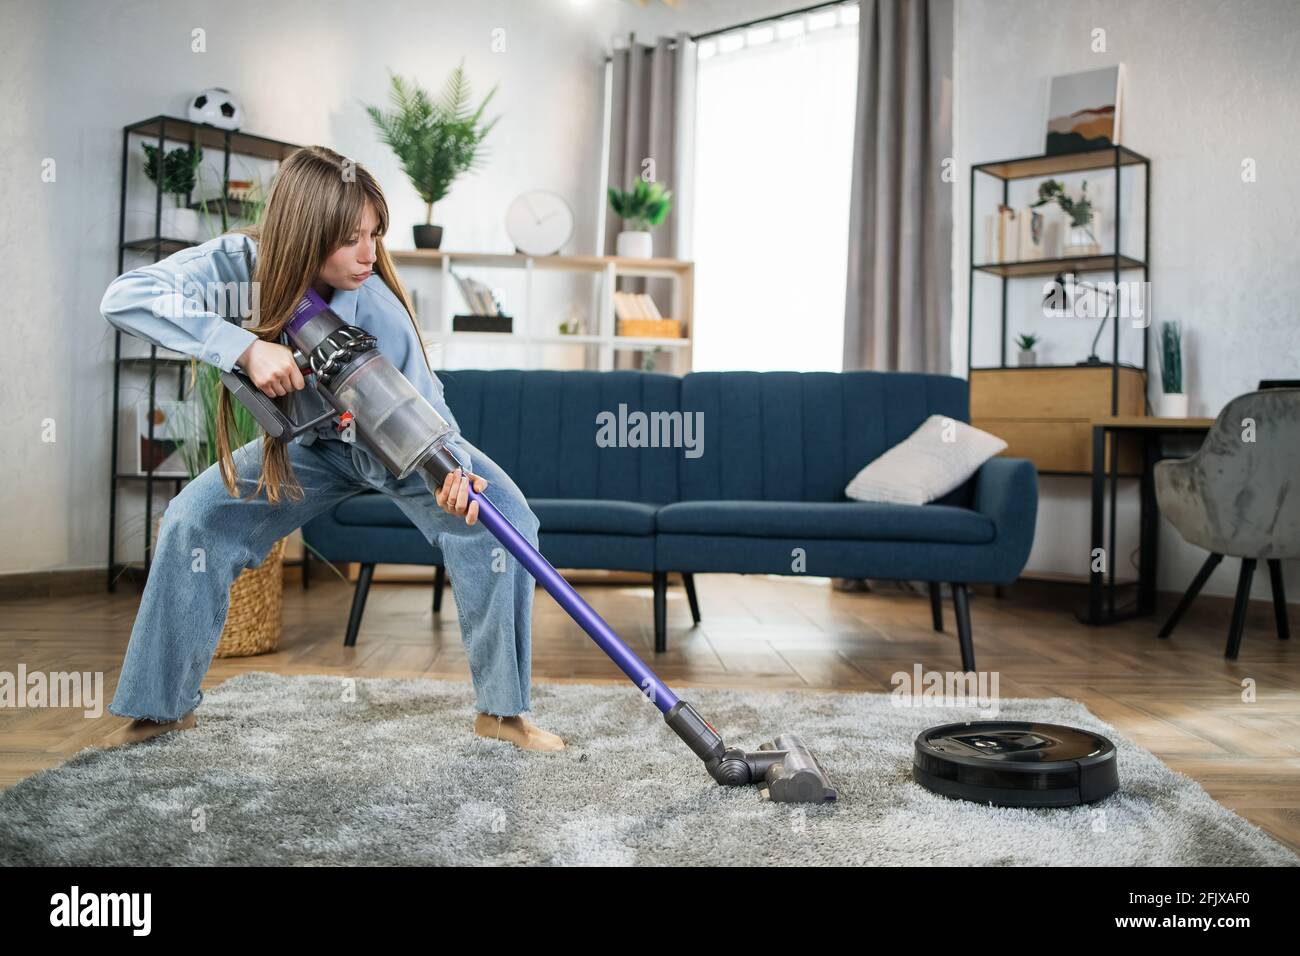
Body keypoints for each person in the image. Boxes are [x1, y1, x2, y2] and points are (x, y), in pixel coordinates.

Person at [101, 145, 562, 752]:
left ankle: (502, 714)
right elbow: (125, 297)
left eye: (375, 235)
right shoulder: (239, 267)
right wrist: (244, 348)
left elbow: (427, 411)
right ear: (305, 231)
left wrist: (452, 474)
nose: (369, 254)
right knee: (195, 518)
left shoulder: (377, 309)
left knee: (504, 522)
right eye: (351, 239)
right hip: (312, 448)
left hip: (392, 445)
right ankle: (160, 710)